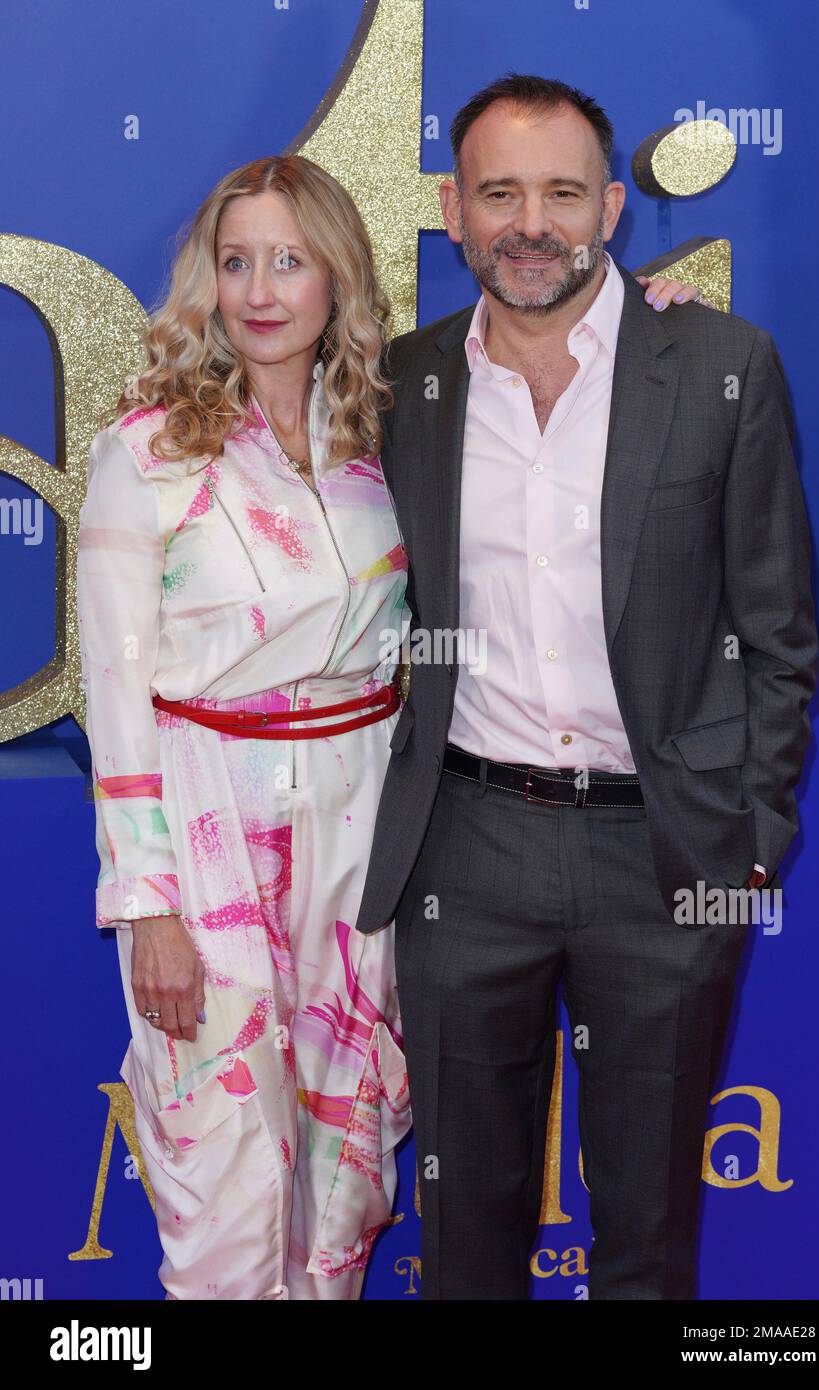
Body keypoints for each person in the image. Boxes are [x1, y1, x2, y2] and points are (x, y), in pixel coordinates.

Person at [355, 74, 819, 1300]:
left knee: (648, 1234)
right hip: (464, 849)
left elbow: (780, 631)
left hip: (663, 857)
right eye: (498, 192)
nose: (530, 222)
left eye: (561, 192)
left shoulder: (721, 364)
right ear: (451, 209)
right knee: (462, 1241)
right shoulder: (406, 385)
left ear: (611, 206)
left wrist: (751, 840)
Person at [77, 154, 414, 1300]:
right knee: (217, 1158)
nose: (261, 289)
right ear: (207, 283)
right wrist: (148, 904)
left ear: (337, 279)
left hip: (362, 833)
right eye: (236, 262)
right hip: (208, 820)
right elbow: (115, 701)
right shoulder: (148, 453)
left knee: (346, 1154)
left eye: (289, 259)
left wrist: (644, 303)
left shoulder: (383, 441)